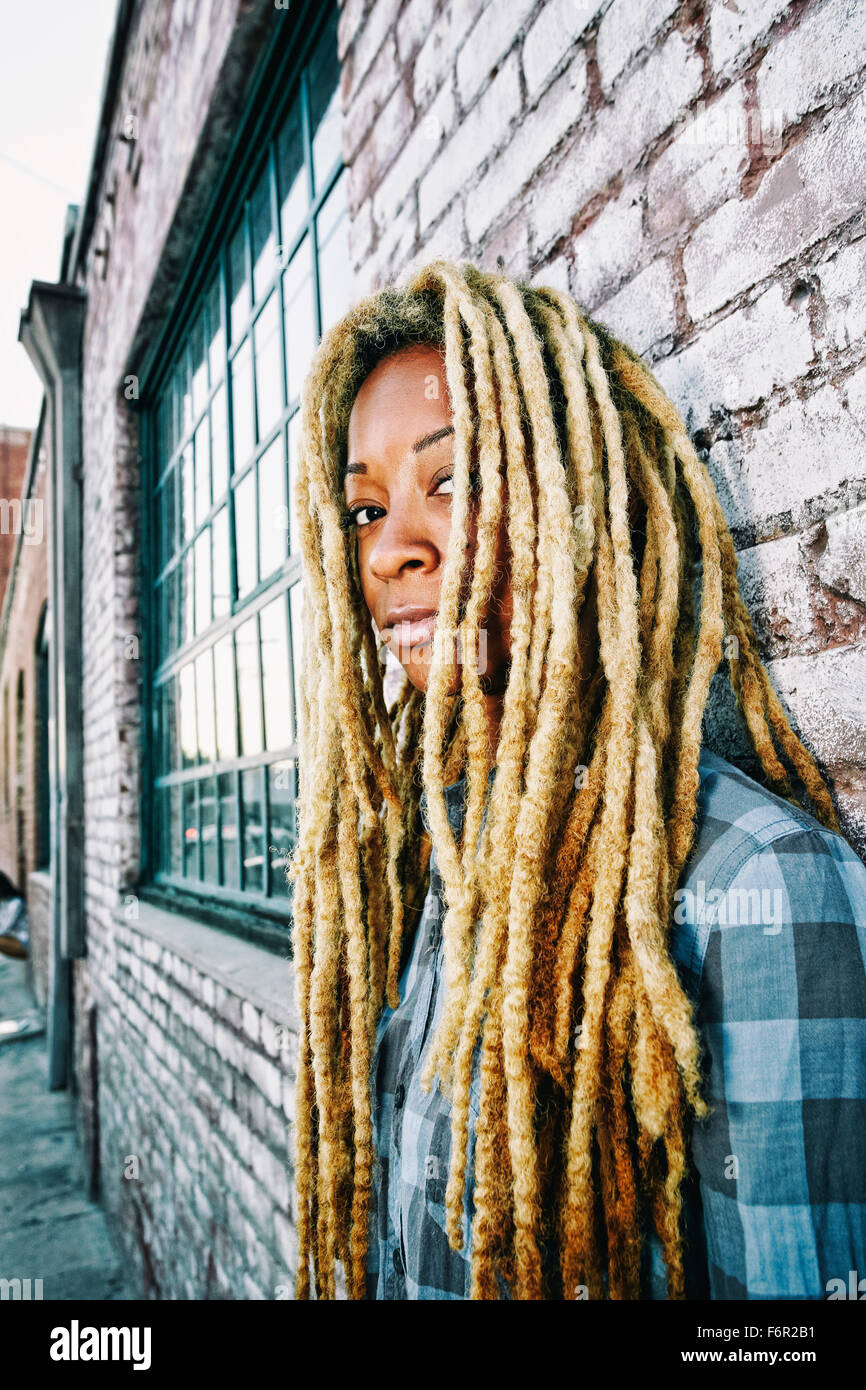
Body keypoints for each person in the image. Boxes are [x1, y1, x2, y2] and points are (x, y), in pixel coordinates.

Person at [287, 260, 866, 1300]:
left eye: (452, 479)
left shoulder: (762, 894)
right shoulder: (430, 866)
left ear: (577, 502)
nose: (388, 552)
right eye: (364, 511)